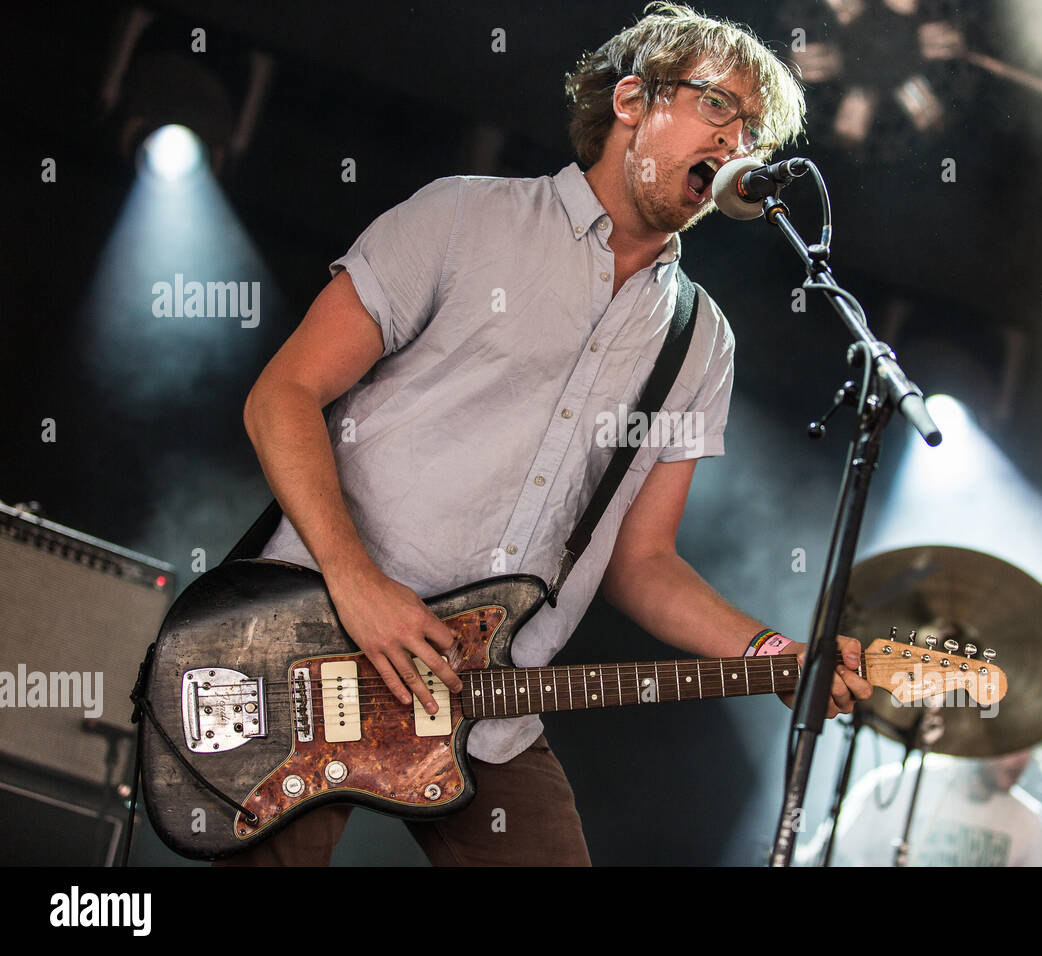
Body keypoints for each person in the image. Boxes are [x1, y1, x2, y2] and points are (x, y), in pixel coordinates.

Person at [225, 3, 873, 866]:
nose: (740, 142)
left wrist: (771, 652)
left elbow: (642, 562)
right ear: (634, 99)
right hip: (318, 639)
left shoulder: (701, 339)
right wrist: (357, 583)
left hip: (487, 702)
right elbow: (283, 395)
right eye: (720, 107)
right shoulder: (465, 216)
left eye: (755, 131)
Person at [800, 750, 1042, 867]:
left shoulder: (1030, 820)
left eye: (1033, 745)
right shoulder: (892, 787)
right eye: (1014, 744)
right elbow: (828, 858)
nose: (1022, 759)